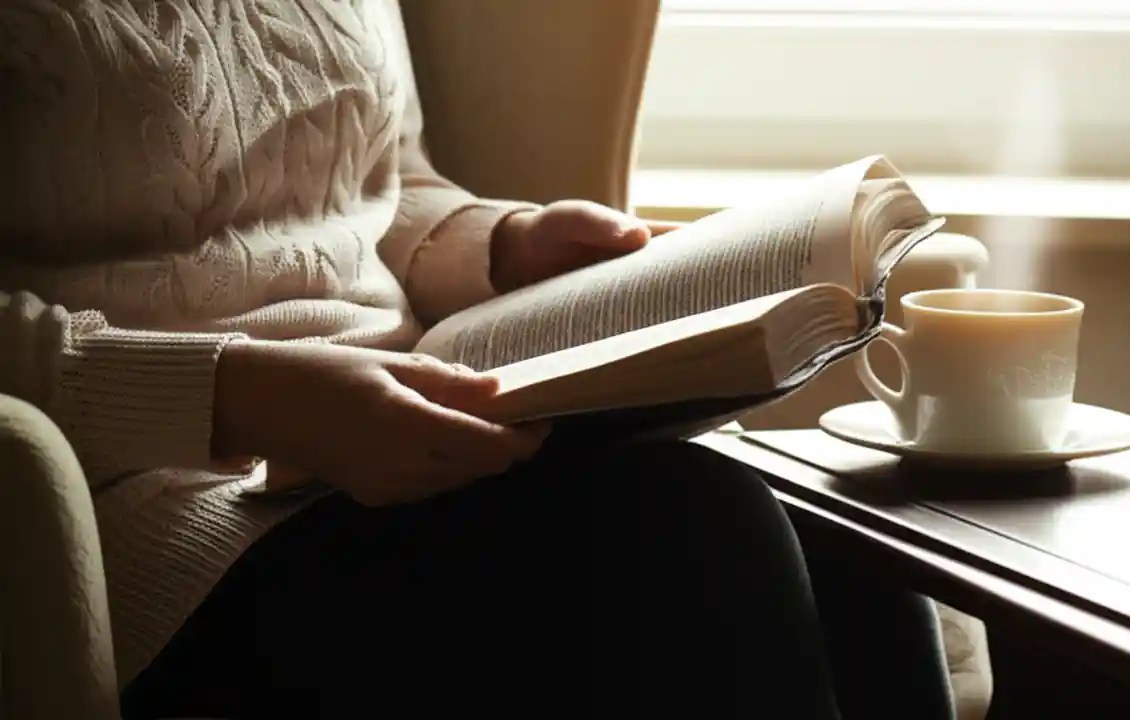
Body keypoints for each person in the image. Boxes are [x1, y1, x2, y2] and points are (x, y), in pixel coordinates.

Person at [0, 1, 953, 717]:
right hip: (148, 512)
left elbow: (380, 183)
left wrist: (502, 243)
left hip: (419, 409)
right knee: (690, 531)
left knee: (848, 540)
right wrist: (243, 396)